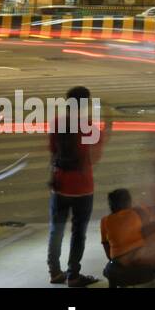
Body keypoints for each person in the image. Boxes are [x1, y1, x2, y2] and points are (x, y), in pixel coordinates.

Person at [48, 85, 108, 287]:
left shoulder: (56, 123)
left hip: (60, 185)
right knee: (78, 232)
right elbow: (96, 157)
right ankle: (73, 275)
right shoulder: (90, 126)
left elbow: (52, 151)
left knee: (56, 230)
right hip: (83, 187)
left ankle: (55, 272)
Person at [99, 189, 155, 287]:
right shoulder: (138, 212)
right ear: (129, 202)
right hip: (146, 272)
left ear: (111, 205)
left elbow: (109, 255)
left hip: (118, 276)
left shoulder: (105, 221)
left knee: (113, 264)